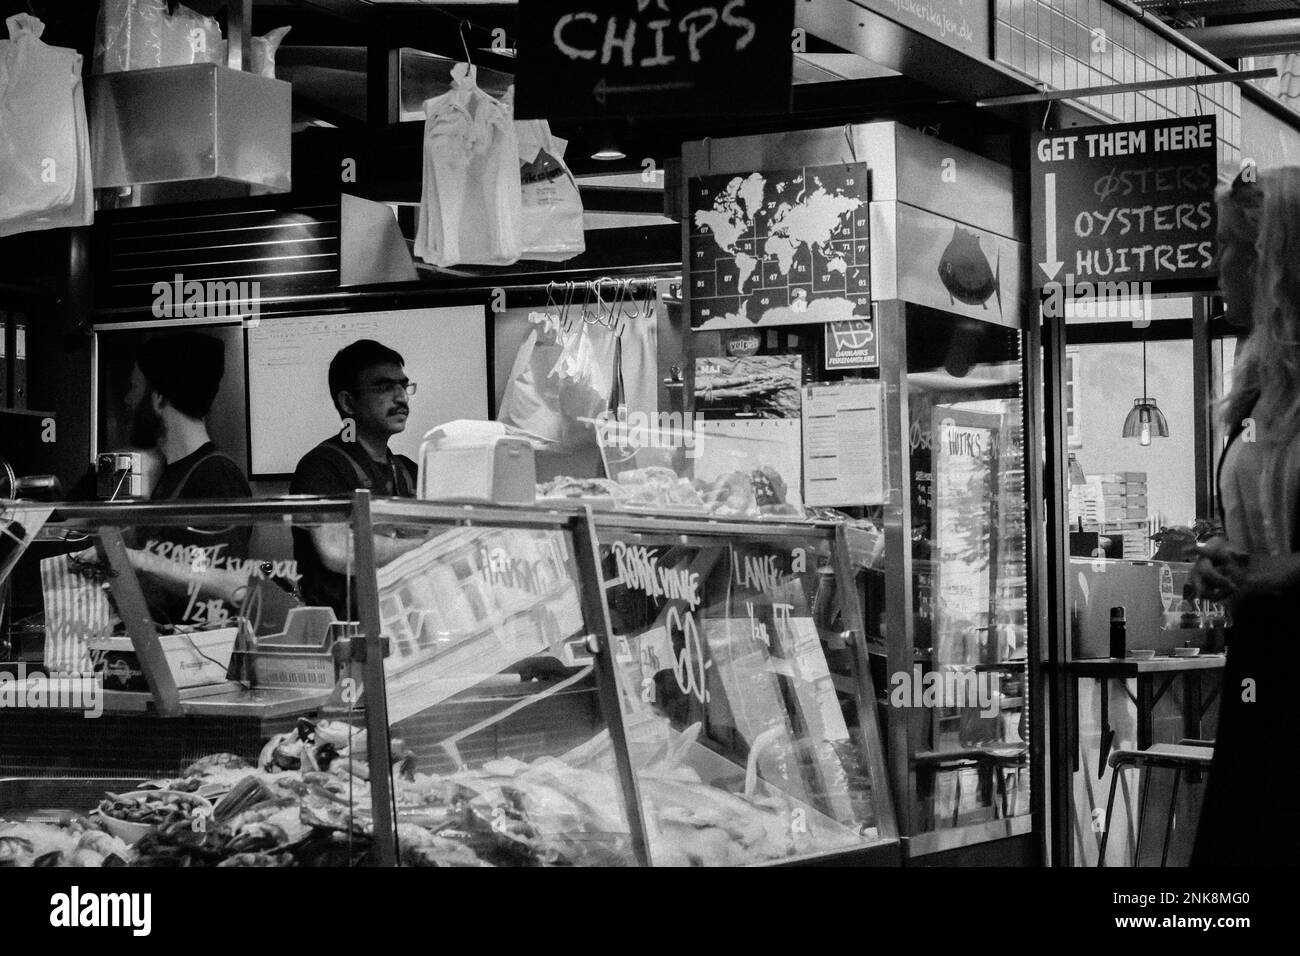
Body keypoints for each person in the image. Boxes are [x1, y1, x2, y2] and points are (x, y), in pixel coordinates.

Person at [1189, 166, 1300, 867]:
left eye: (1226, 248)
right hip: (1262, 662)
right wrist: (1218, 555)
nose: (1215, 265)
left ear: (1268, 261)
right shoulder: (1257, 384)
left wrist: (1276, 572)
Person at [119, 332, 254, 625]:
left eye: (133, 388)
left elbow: (234, 586)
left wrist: (137, 560)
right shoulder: (168, 473)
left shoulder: (216, 476)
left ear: (158, 398)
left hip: (198, 663)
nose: (128, 401)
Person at [290, 340, 427, 618]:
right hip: (347, 638)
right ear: (348, 402)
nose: (401, 398)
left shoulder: (409, 470)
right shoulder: (321, 466)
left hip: (408, 630)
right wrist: (426, 545)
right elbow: (336, 551)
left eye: (403, 386)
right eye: (385, 387)